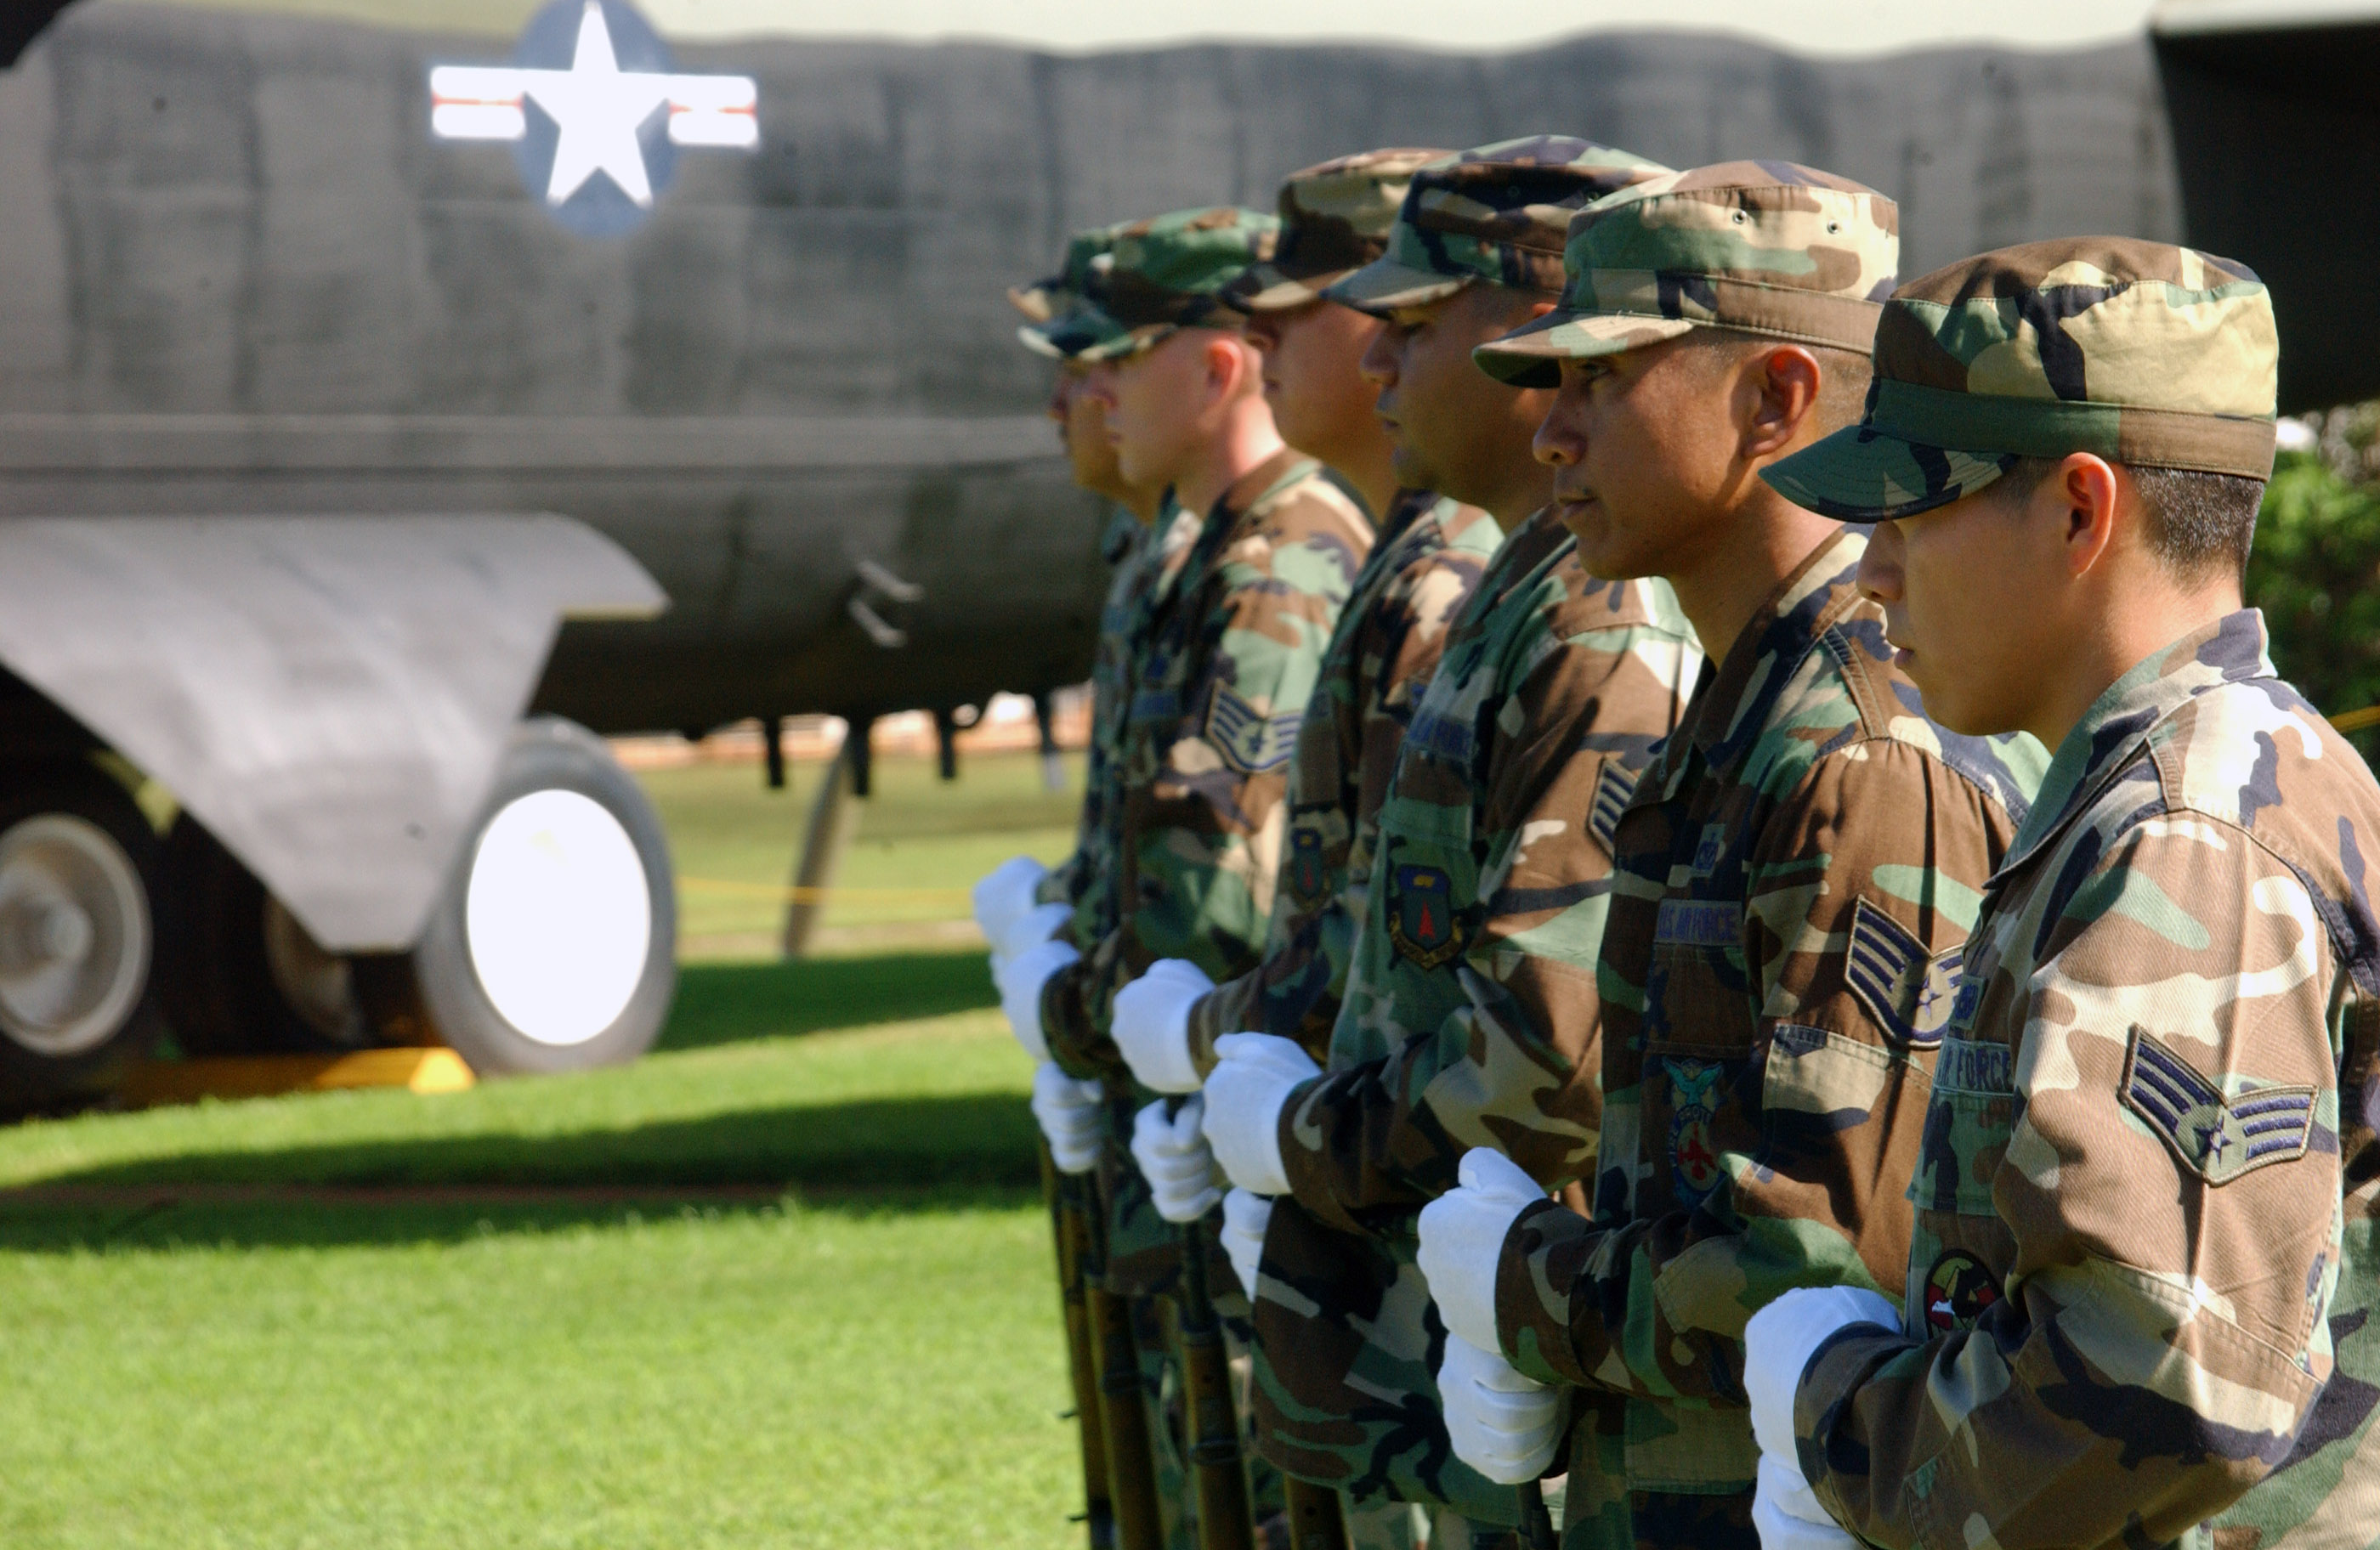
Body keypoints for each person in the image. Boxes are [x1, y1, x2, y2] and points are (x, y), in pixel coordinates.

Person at [1414, 162, 2045, 1550]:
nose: (1551, 436)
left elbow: (1824, 1264)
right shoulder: (1749, 703)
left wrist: (1524, 1287)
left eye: (1606, 380)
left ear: (1777, 400)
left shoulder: (1855, 749)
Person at [1737, 238, 2380, 1550]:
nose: (1870, 572)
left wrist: (1844, 1433)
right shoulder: (2179, 787)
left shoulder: (2184, 836)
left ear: (2083, 511)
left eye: (1912, 513)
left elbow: (2158, 1384)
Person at [1189, 139, 1703, 1549]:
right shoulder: (1523, 591)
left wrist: (1298, 1135)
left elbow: (1545, 1050)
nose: (1378, 364)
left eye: (1418, 328)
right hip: (1427, 1321)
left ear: (1533, 329)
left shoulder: (1595, 622)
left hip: (1502, 1340)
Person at [996, 203, 1376, 1548]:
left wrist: (1066, 1009)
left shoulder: (1276, 564)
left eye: (1112, 359)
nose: (1076, 395)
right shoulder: (1186, 555)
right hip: (1175, 1100)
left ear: (1215, 368)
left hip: (1229, 1111)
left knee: (1258, 1498)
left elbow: (1213, 898)